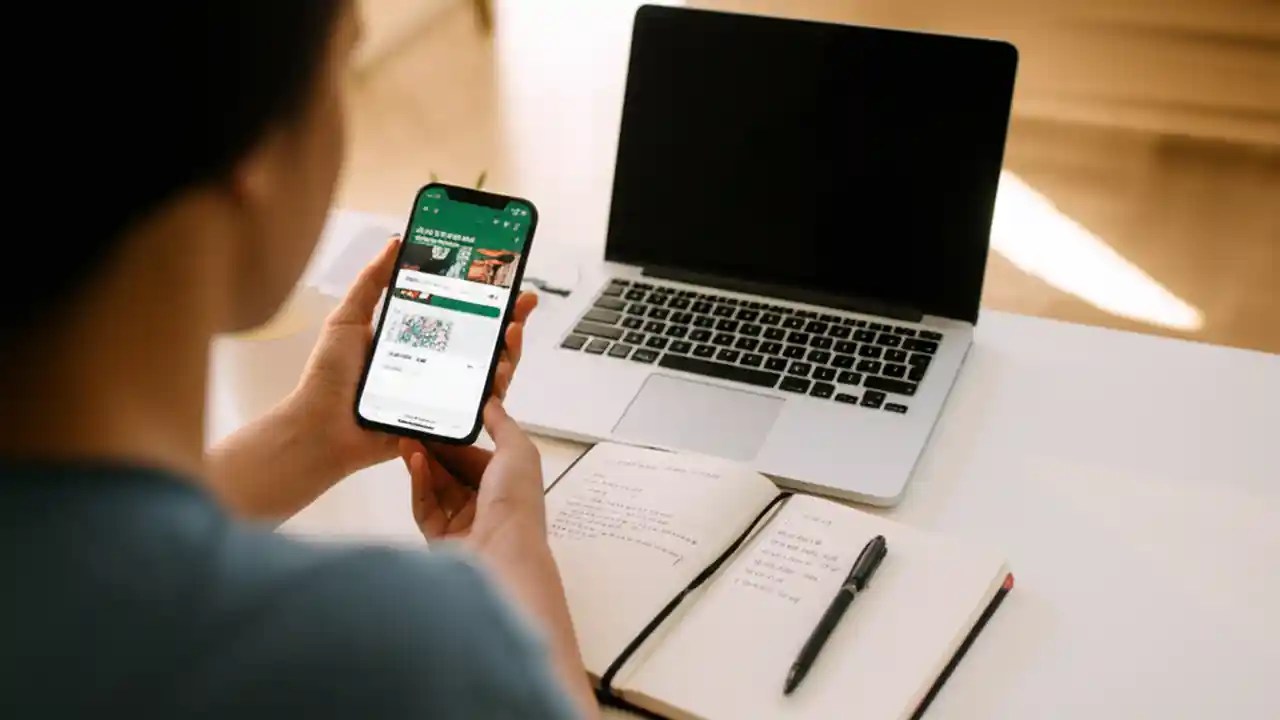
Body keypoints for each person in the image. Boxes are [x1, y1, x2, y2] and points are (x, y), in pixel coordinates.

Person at [0, 2, 596, 717]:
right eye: (340, 67)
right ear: (252, 153)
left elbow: (86, 571)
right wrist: (512, 555)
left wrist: (311, 435)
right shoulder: (401, 652)